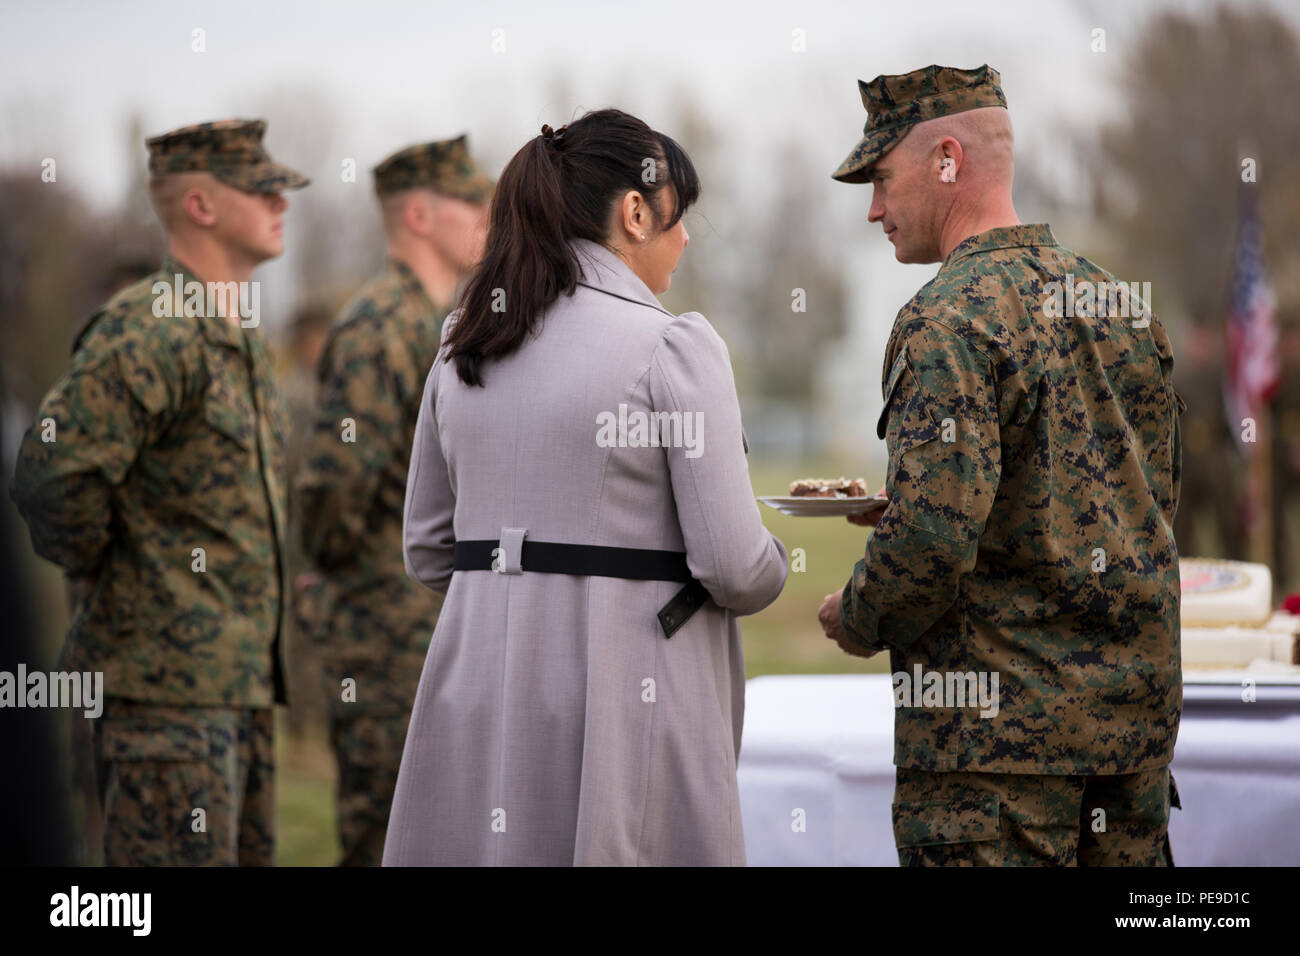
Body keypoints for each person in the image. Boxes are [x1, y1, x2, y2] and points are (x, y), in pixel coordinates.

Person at [384, 109, 788, 866]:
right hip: (623, 695)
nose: (687, 237)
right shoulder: (674, 346)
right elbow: (734, 566)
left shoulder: (463, 340)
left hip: (475, 692)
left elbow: (428, 550)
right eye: (680, 214)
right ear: (635, 211)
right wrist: (780, 556)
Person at [818, 65, 1184, 866]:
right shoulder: (1118, 305)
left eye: (881, 180)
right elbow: (1140, 507)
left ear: (947, 159)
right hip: (1128, 743)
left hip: (995, 766)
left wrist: (856, 613)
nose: (875, 209)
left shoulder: (947, 318)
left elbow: (932, 543)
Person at [9, 118, 308, 866]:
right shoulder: (153, 328)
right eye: (261, 187)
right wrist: (131, 580)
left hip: (236, 693)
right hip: (163, 707)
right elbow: (51, 477)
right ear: (202, 205)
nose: (283, 201)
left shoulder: (236, 338)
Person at [296, 135, 492, 866]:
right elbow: (335, 485)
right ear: (417, 214)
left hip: (431, 625)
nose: (487, 215)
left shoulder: (448, 317)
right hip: (381, 638)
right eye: (471, 202)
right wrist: (342, 572)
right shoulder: (381, 325)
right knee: (385, 835)